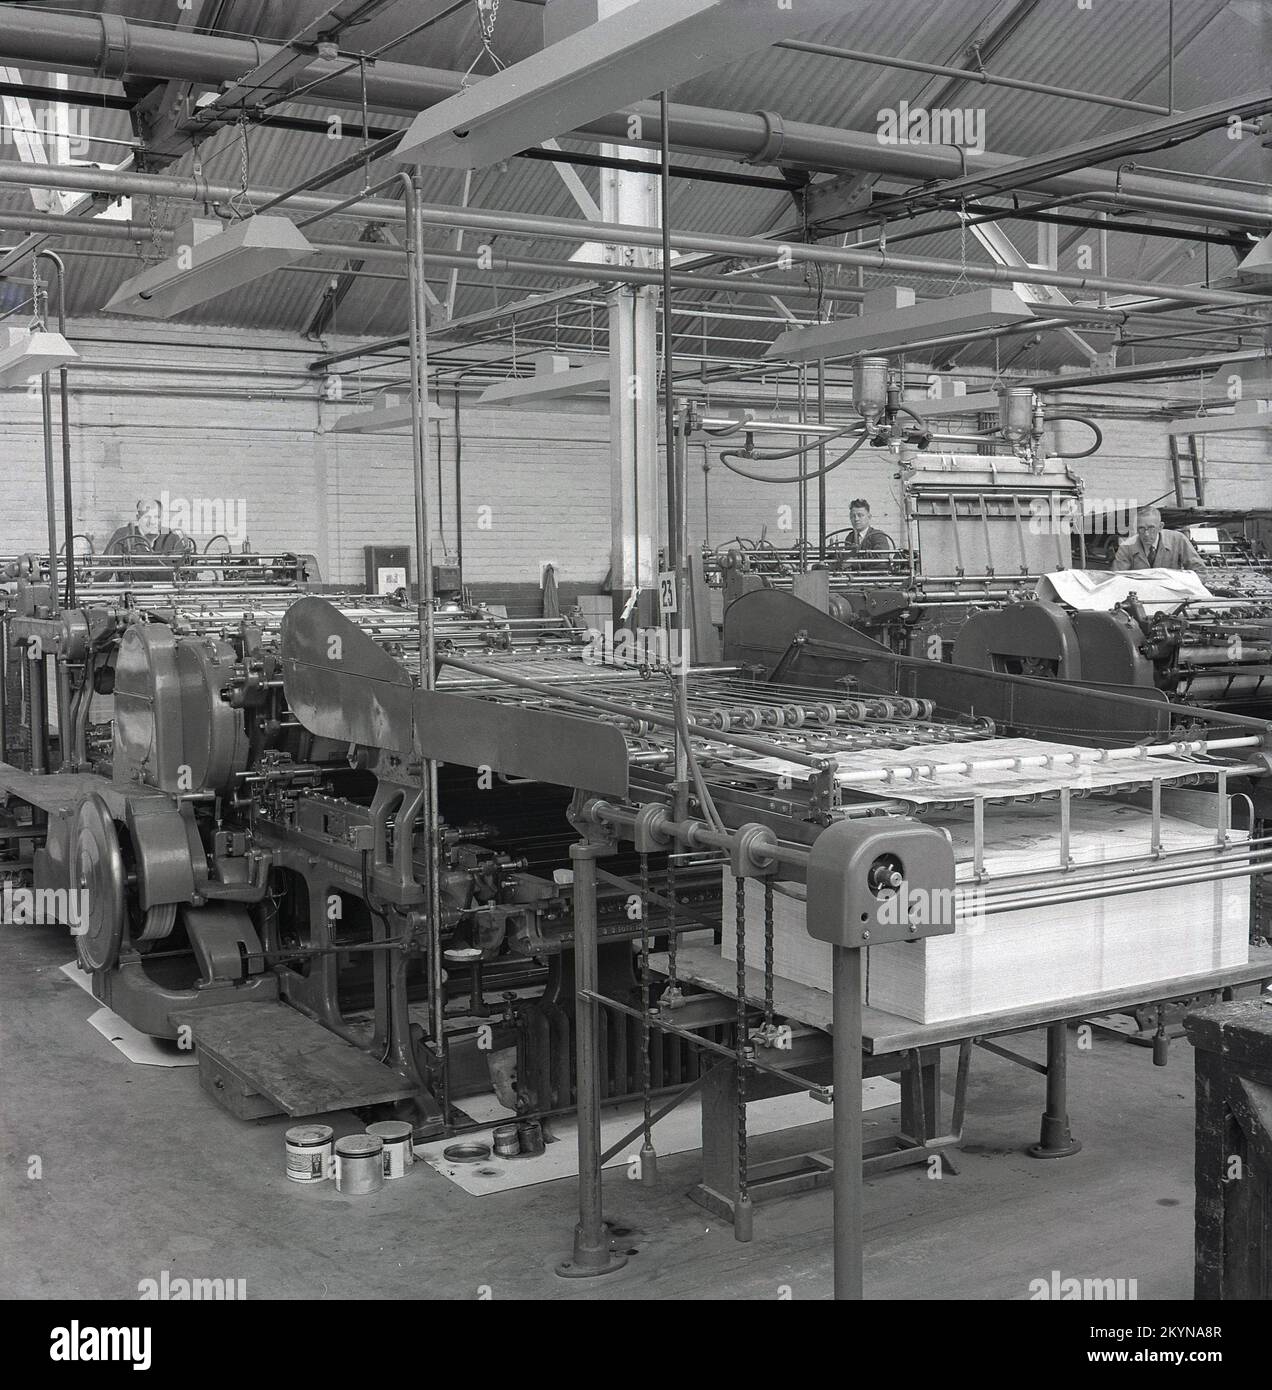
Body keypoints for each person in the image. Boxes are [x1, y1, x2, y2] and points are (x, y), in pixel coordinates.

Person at [103, 499, 191, 580]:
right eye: (147, 517)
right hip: (133, 593)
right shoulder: (124, 535)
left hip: (165, 593)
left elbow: (185, 570)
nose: (152, 522)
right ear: (138, 518)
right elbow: (103, 569)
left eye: (157, 517)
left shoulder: (170, 536)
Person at [1111, 507, 1204, 573]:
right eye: (1141, 528)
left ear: (1160, 527)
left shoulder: (1178, 539)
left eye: (1151, 528)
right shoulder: (1126, 547)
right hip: (1140, 594)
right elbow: (1117, 576)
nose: (1146, 534)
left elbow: (1199, 569)